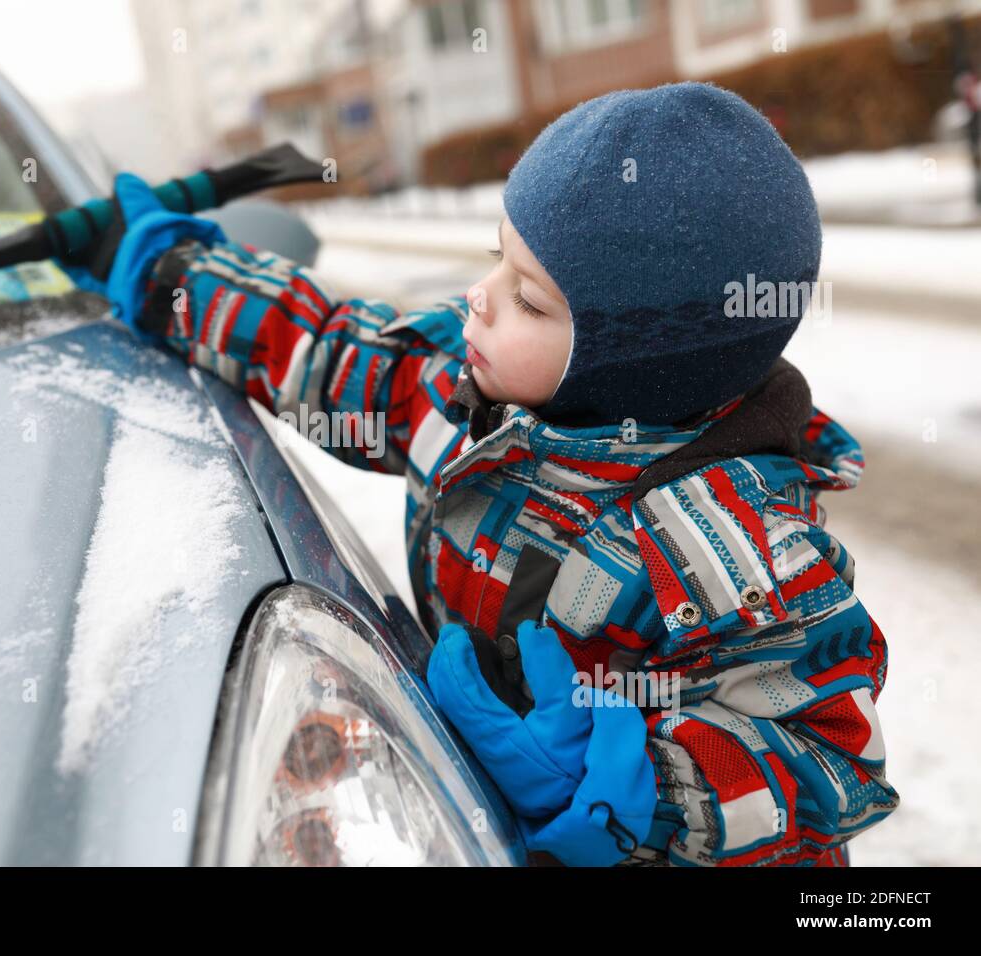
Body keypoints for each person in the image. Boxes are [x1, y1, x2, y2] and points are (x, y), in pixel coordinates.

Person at [73, 81, 900, 866]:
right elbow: (329, 352)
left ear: (642, 364)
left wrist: (625, 789)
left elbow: (832, 757)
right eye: (495, 260)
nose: (479, 298)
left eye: (530, 300)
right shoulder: (468, 388)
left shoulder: (735, 545)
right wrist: (169, 276)